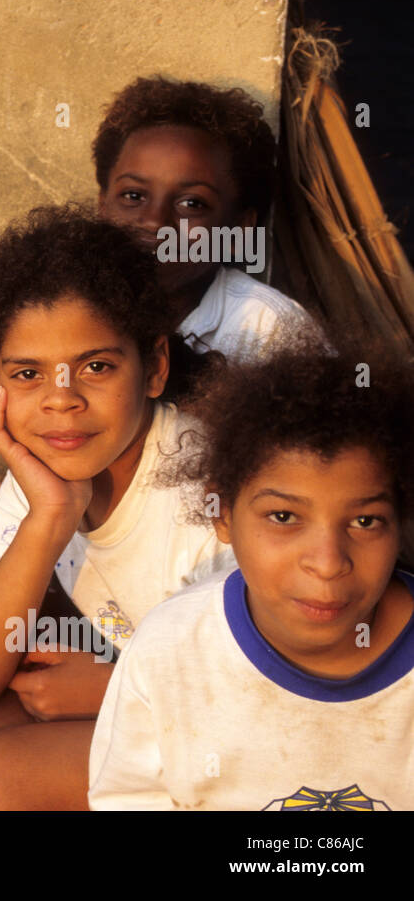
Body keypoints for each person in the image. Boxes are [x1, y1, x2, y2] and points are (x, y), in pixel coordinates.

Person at [0, 205, 234, 810]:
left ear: (153, 367)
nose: (61, 401)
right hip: (138, 695)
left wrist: (112, 690)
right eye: (28, 374)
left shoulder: (206, 493)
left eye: (95, 367)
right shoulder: (42, 467)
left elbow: (263, 690)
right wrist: (49, 516)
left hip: (219, 742)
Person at [90, 337, 414, 810]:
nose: (326, 563)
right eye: (283, 517)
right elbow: (131, 799)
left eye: (365, 521)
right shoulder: (169, 651)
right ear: (222, 515)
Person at [94, 76, 311, 358]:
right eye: (133, 196)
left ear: (240, 228)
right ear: (102, 207)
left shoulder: (268, 332)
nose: (154, 222)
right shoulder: (62, 306)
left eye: (192, 203)